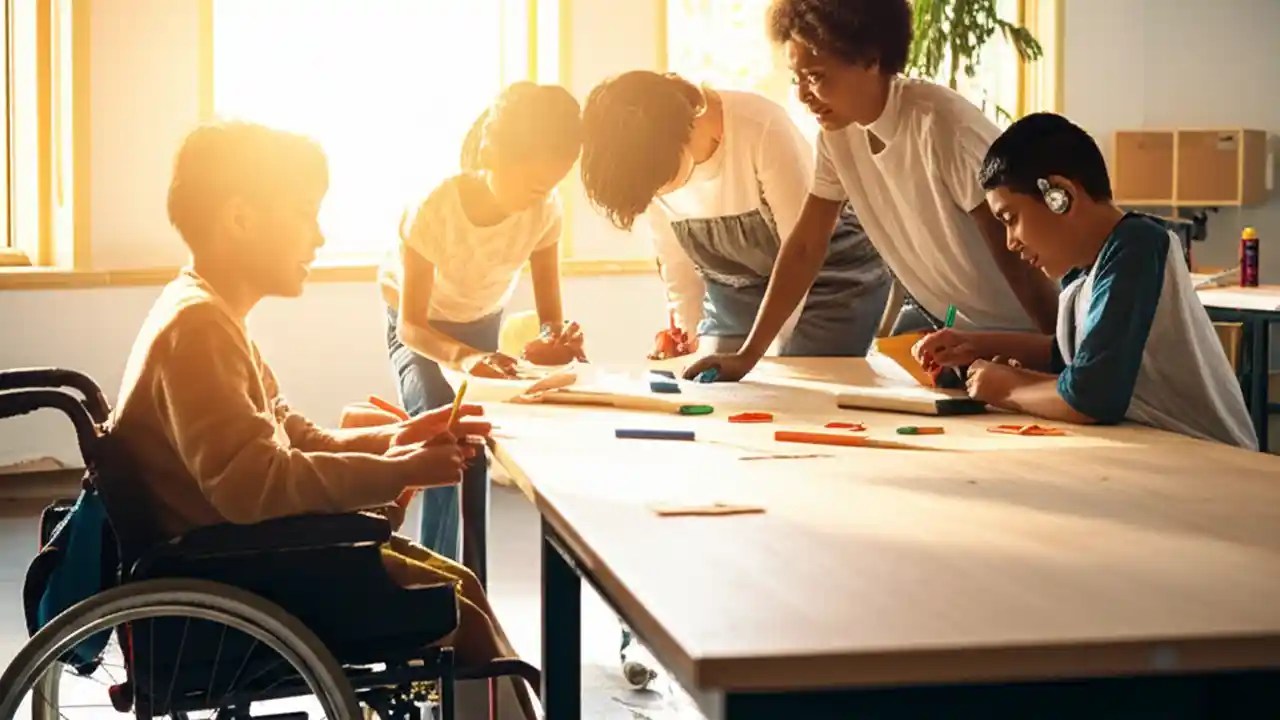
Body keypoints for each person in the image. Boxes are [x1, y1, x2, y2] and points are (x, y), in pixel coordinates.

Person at [111, 121, 540, 717]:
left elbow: (291, 435)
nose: (318, 236)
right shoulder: (200, 328)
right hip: (237, 572)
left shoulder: (209, 312)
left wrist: (399, 437)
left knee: (459, 585)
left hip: (240, 556)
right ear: (240, 218)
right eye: (305, 214)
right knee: (455, 608)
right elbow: (254, 484)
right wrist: (397, 472)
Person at [684, 0, 1060, 383]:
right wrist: (746, 357)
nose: (803, 95)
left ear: (871, 58)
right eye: (797, 78)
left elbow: (1017, 251)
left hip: (1033, 331)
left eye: (815, 76)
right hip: (971, 336)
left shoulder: (943, 127)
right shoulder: (837, 137)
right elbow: (805, 248)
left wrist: (1058, 354)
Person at [913, 113, 1257, 450]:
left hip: (1214, 456)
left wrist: (1007, 389)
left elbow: (1092, 396)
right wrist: (973, 345)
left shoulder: (1136, 245)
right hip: (1159, 447)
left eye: (1010, 218)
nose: (1010, 242)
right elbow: (1068, 354)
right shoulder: (1081, 271)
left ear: (1060, 197)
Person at [380, 82, 585, 558]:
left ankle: (471, 582)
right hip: (420, 329)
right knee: (440, 436)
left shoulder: (545, 211)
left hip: (480, 324)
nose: (540, 197)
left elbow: (550, 317)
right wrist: (466, 357)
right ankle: (438, 576)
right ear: (494, 156)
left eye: (551, 186)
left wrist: (555, 341)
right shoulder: (435, 209)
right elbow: (411, 326)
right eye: (533, 184)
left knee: (473, 446)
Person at [580, 70, 890, 359]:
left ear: (679, 132)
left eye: (660, 182)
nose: (659, 193)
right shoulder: (648, 168)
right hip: (735, 298)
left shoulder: (760, 127)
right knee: (709, 382)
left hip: (827, 284)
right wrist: (688, 342)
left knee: (796, 382)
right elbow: (679, 268)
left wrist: (760, 356)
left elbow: (802, 252)